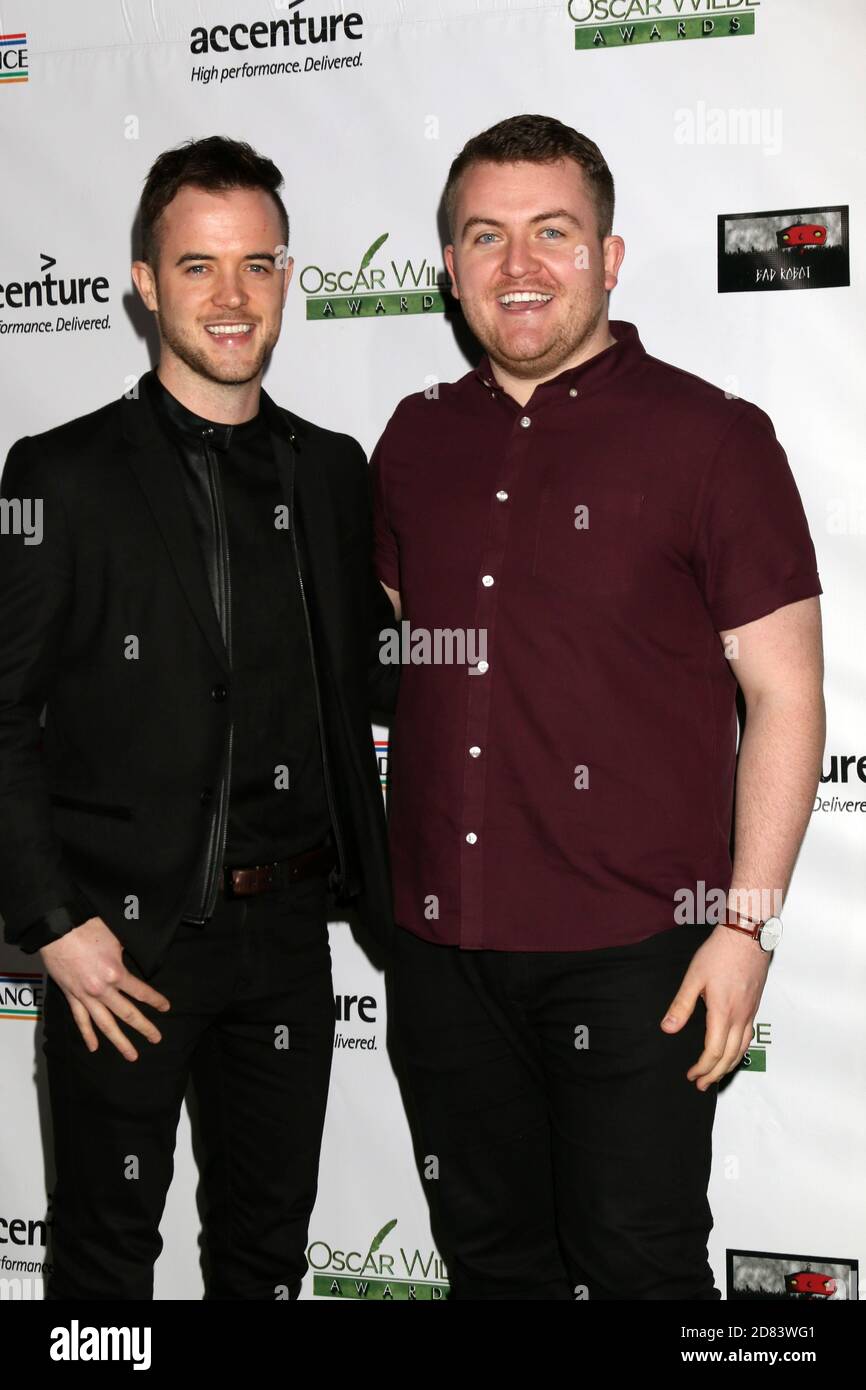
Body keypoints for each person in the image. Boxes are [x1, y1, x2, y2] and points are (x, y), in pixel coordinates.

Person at [371, 113, 825, 1300]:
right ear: (450, 269)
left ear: (608, 257)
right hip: (439, 950)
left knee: (640, 1268)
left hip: (636, 957)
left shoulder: (712, 437)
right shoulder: (413, 438)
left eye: (551, 233)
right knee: (489, 1269)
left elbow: (783, 695)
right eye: (485, 237)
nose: (517, 265)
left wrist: (743, 926)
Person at [0, 135, 394, 1300]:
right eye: (198, 267)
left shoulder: (332, 473)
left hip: (286, 947)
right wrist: (55, 924)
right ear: (143, 281)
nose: (232, 298)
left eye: (258, 265)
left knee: (267, 1258)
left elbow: (369, 679)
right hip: (120, 943)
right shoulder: (55, 477)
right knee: (103, 1263)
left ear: (286, 278)